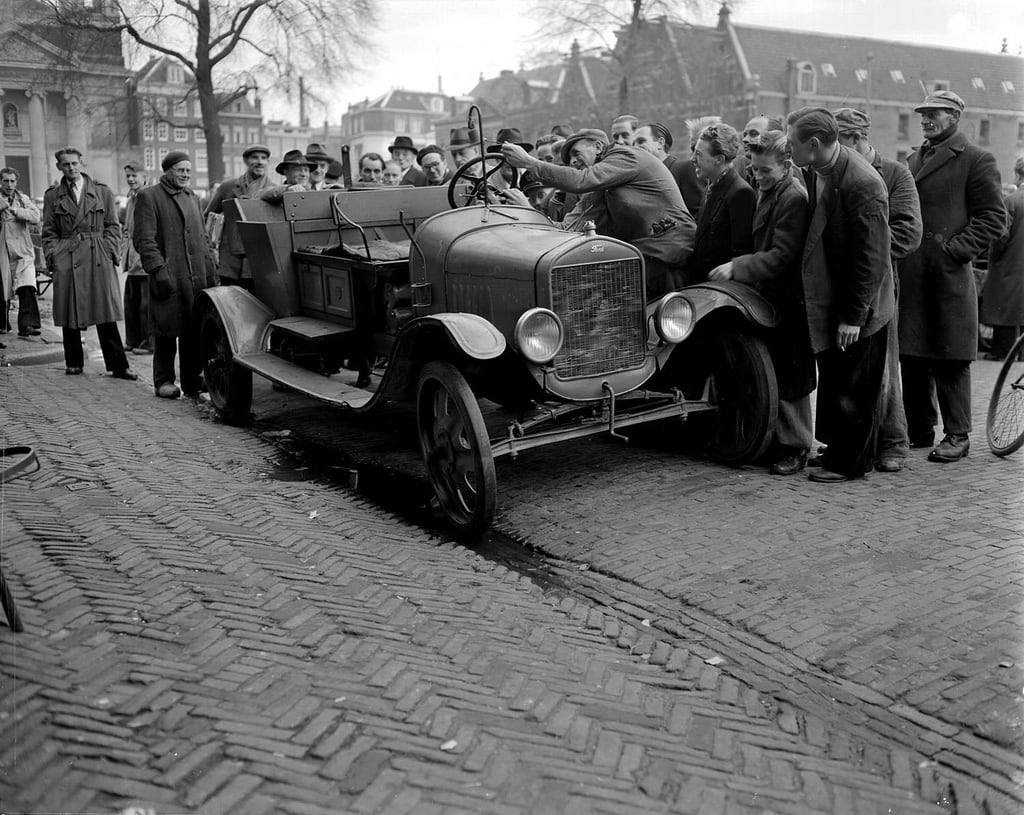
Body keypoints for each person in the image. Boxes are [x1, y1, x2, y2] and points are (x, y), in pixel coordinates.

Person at [785, 107, 893, 482]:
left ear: (813, 145)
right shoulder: (824, 169)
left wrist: (854, 316)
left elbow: (873, 258)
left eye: (792, 143)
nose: (787, 149)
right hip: (840, 296)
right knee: (839, 379)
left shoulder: (863, 183)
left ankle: (850, 464)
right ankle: (837, 451)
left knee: (856, 385)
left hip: (861, 303)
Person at [899, 91, 1007, 462]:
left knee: (950, 357)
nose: (926, 119)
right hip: (913, 274)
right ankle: (919, 428)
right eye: (923, 113)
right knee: (911, 354)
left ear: (955, 116)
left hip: (947, 276)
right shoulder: (914, 158)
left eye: (935, 113)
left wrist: (954, 251)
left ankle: (957, 434)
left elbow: (994, 218)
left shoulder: (977, 159)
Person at [708, 131, 814, 475]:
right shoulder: (771, 189)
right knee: (779, 372)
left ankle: (797, 447)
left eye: (766, 170)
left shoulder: (793, 198)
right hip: (769, 296)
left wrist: (738, 266)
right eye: (754, 169)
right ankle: (782, 442)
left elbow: (782, 256)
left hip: (788, 299)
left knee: (792, 375)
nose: (758, 176)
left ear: (786, 166)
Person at [501, 128, 695, 300]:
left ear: (598, 146)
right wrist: (525, 213)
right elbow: (568, 228)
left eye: (576, 153)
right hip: (647, 256)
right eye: (569, 160)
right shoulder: (600, 187)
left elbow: (579, 181)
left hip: (671, 251)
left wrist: (529, 162)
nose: (573, 162)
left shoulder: (626, 156)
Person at [834, 107, 923, 473]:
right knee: (851, 369)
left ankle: (893, 442)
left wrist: (866, 254)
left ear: (856, 139)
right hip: (845, 284)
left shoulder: (895, 174)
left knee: (884, 365)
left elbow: (909, 233)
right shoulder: (838, 173)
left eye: (839, 141)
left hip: (881, 282)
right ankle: (856, 443)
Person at [41, 146, 137, 379]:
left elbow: (113, 226)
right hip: (68, 254)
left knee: (105, 312)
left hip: (97, 255)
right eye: (66, 164)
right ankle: (74, 362)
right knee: (69, 310)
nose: (71, 168)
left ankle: (118, 366)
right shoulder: (53, 195)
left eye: (74, 163)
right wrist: (55, 255)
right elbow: (48, 231)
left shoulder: (102, 192)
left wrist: (108, 251)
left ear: (82, 163)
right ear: (59, 167)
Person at [132, 151, 218, 399]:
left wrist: (210, 269)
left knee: (192, 329)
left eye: (189, 171)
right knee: (166, 331)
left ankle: (192, 380)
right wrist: (158, 269)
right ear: (167, 171)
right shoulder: (149, 196)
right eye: (180, 170)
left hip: (195, 275)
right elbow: (144, 240)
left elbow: (202, 237)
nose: (185, 175)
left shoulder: (192, 197)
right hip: (169, 274)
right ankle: (163, 381)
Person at [686, 123, 756, 282]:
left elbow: (741, 253)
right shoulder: (711, 185)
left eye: (698, 154)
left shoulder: (741, 193)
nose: (692, 159)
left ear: (719, 159)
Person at [205, 143, 273, 290]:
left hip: (257, 261)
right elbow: (208, 218)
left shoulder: (273, 190)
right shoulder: (227, 187)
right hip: (229, 260)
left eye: (264, 158)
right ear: (246, 161)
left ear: (268, 162)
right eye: (255, 157)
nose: (260, 161)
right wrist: (211, 250)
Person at [981, 156, 1024, 359]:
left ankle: (1001, 354)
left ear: (1017, 174)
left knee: (1005, 309)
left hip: (1010, 265)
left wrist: (994, 258)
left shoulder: (1011, 201)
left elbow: (1000, 236)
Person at [0, 166, 41, 339]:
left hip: (23, 249)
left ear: (16, 182)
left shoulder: (22, 199)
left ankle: (27, 325)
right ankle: (2, 325)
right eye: (5, 181)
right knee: (3, 288)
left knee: (27, 286)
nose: (9, 184)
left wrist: (16, 211)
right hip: (3, 248)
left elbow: (35, 216)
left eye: (12, 181)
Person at [634, 122, 703, 222]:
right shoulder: (643, 179)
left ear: (660, 143)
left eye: (641, 141)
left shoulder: (685, 169)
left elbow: (699, 214)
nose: (635, 147)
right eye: (633, 144)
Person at [120, 162, 152, 355]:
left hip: (145, 258)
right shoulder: (132, 198)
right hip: (132, 258)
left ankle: (150, 343)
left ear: (144, 177)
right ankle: (133, 340)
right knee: (131, 302)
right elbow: (127, 227)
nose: (131, 179)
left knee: (147, 305)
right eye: (128, 176)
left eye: (135, 176)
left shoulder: (148, 197)